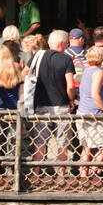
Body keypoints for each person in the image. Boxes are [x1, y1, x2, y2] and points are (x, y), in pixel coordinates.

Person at [32, 29, 76, 172]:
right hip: (61, 106)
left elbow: (25, 74)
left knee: (39, 142)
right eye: (67, 44)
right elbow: (70, 86)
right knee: (62, 142)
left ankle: (36, 172)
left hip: (42, 106)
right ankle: (61, 174)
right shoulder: (67, 60)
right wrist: (71, 100)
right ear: (62, 44)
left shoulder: (38, 56)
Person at [76, 45, 103, 169]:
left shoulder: (86, 70)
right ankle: (92, 172)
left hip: (82, 112)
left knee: (87, 148)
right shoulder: (97, 72)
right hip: (93, 115)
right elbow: (95, 94)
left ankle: (83, 177)